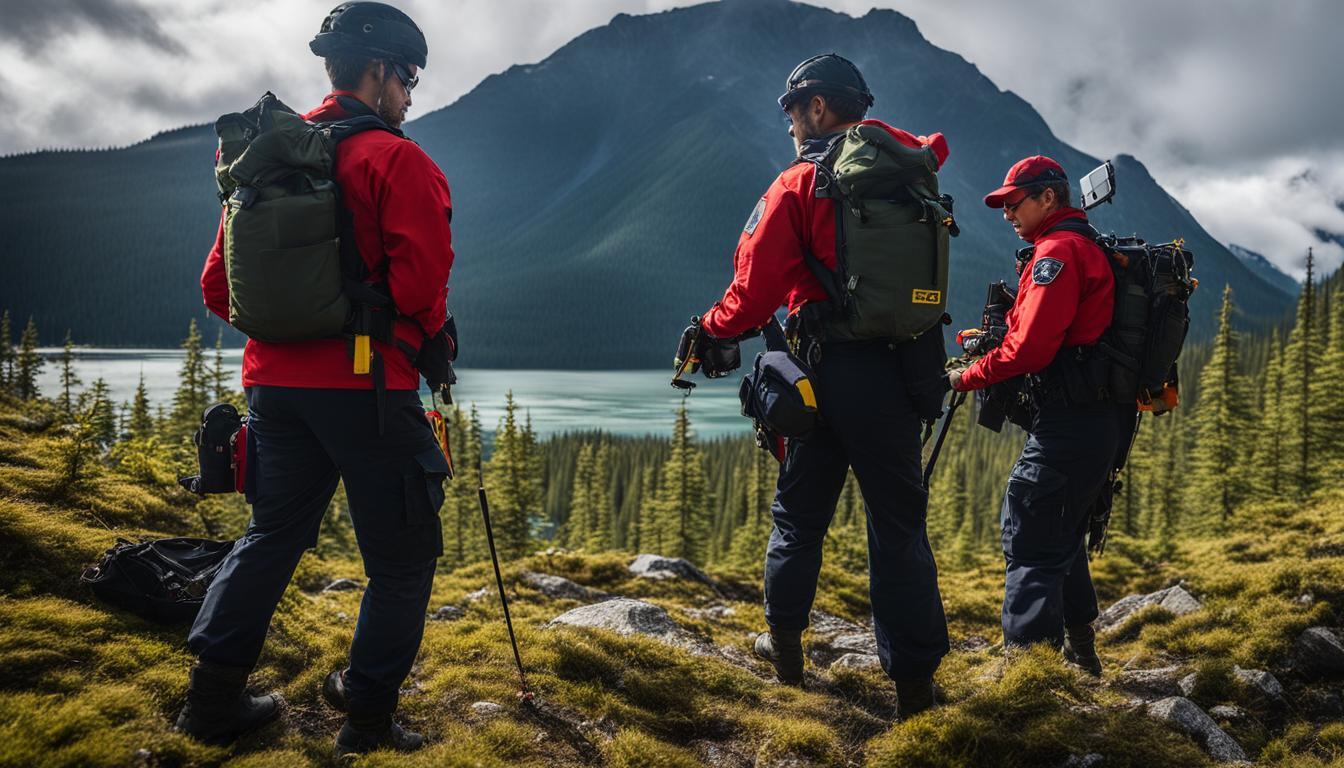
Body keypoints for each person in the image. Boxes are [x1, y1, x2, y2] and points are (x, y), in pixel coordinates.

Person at [178, 2, 454, 756]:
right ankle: (365, 718)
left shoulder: (268, 159)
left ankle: (209, 703)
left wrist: (292, 337)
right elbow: (424, 284)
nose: (410, 92)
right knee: (402, 559)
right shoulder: (399, 161)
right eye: (408, 76)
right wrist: (419, 339)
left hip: (272, 390)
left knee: (271, 534)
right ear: (377, 70)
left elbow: (216, 286)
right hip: (369, 392)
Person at [679, 53, 951, 718]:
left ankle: (789, 660)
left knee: (799, 519)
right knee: (899, 528)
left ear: (819, 108)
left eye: (792, 112)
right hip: (900, 372)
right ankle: (914, 689)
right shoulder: (911, 175)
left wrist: (711, 327)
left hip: (825, 374)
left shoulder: (801, 182)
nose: (790, 126)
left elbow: (754, 287)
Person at [949, 156, 1116, 675]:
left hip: (1073, 420)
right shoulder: (1076, 247)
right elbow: (1038, 335)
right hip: (1094, 419)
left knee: (1029, 529)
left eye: (1012, 202)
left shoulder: (1058, 253)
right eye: (1001, 206)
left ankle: (1027, 677)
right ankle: (1082, 653)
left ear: (1049, 198)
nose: (1005, 214)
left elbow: (1030, 352)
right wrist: (990, 341)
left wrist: (966, 376)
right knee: (1058, 529)